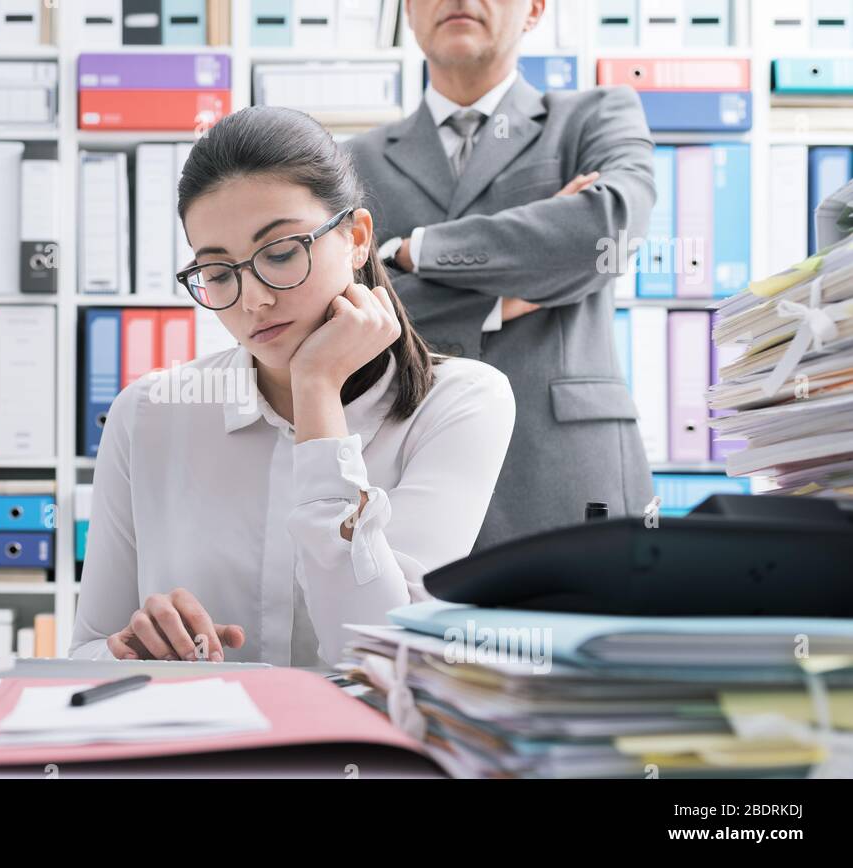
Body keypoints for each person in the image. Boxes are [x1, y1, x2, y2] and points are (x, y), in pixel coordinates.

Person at [69, 106, 516, 665]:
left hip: (364, 750)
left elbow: (377, 656)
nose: (253, 299)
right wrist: (135, 655)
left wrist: (317, 394)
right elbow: (85, 651)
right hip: (201, 742)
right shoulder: (148, 413)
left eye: (280, 254)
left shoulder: (463, 402)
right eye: (217, 272)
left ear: (356, 238)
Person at [349, 0, 656, 549]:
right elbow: (341, 308)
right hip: (405, 469)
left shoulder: (597, 115)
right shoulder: (353, 161)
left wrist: (411, 251)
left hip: (567, 472)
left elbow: (602, 232)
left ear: (535, 10)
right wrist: (508, 294)